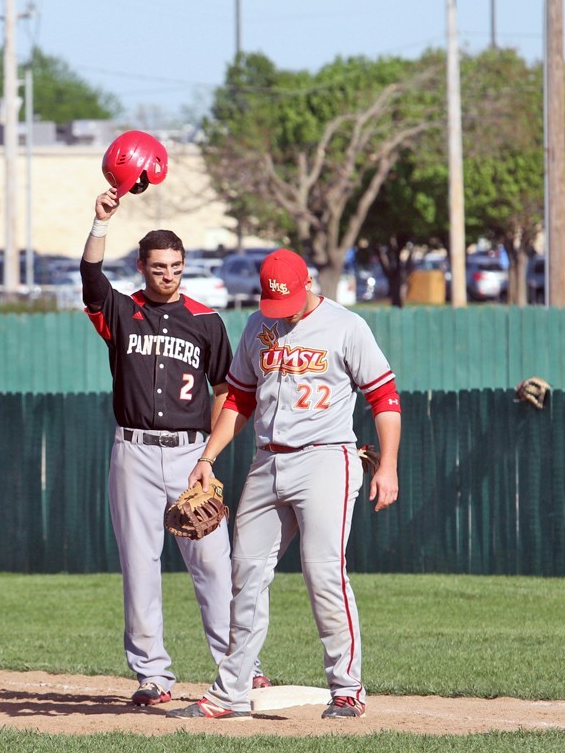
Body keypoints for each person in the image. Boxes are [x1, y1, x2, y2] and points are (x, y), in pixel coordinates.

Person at [167, 248, 401, 721]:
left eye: (289, 298)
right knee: (245, 575)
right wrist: (207, 457)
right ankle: (231, 692)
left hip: (325, 460)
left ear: (308, 283)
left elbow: (384, 397)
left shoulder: (346, 326)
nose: (282, 308)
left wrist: (388, 465)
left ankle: (347, 688)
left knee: (323, 573)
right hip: (266, 460)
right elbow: (239, 397)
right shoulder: (258, 325)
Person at [80, 186, 269, 706]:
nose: (169, 274)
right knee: (140, 563)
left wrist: (209, 455)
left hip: (190, 454)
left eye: (177, 266)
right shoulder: (122, 312)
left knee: (213, 561)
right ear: (142, 266)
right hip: (134, 451)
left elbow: (227, 390)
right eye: (159, 266)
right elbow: (91, 280)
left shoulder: (207, 321)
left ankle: (239, 667)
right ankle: (153, 676)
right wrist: (100, 223)